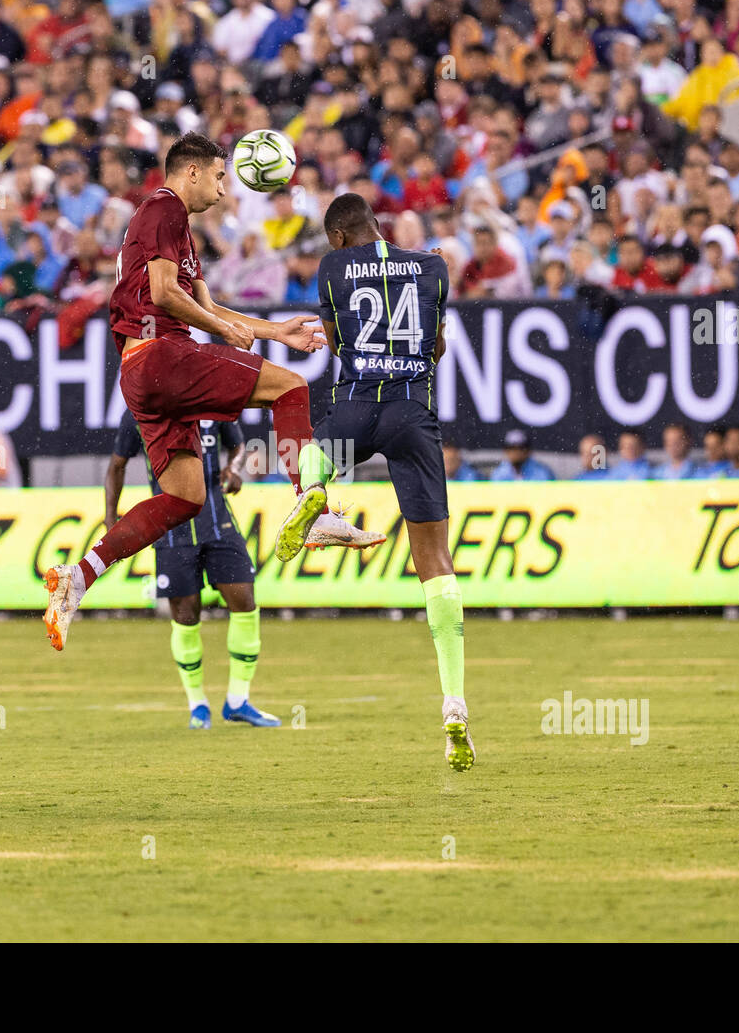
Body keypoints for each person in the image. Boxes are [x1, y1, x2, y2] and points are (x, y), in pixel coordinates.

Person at [41, 135, 379, 653]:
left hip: (140, 371)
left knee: (184, 496)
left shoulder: (176, 231)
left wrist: (274, 332)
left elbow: (210, 307)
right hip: (162, 354)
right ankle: (313, 507)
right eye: (221, 177)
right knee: (290, 389)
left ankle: (79, 577)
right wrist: (220, 329)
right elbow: (164, 295)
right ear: (192, 172)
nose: (224, 190)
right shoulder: (164, 209)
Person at [300, 193, 474, 771]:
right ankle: (454, 702)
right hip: (410, 414)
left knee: (306, 450)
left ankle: (314, 504)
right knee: (435, 561)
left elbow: (338, 341)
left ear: (341, 237)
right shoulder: (432, 266)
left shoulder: (332, 269)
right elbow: (438, 347)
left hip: (355, 404)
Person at [107, 411, 275, 729]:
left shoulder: (212, 404)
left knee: (245, 602)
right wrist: (109, 518)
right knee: (185, 617)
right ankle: (197, 705)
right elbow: (117, 465)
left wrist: (233, 468)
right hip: (171, 532)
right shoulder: (141, 415)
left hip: (219, 525)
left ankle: (238, 700)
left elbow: (238, 447)